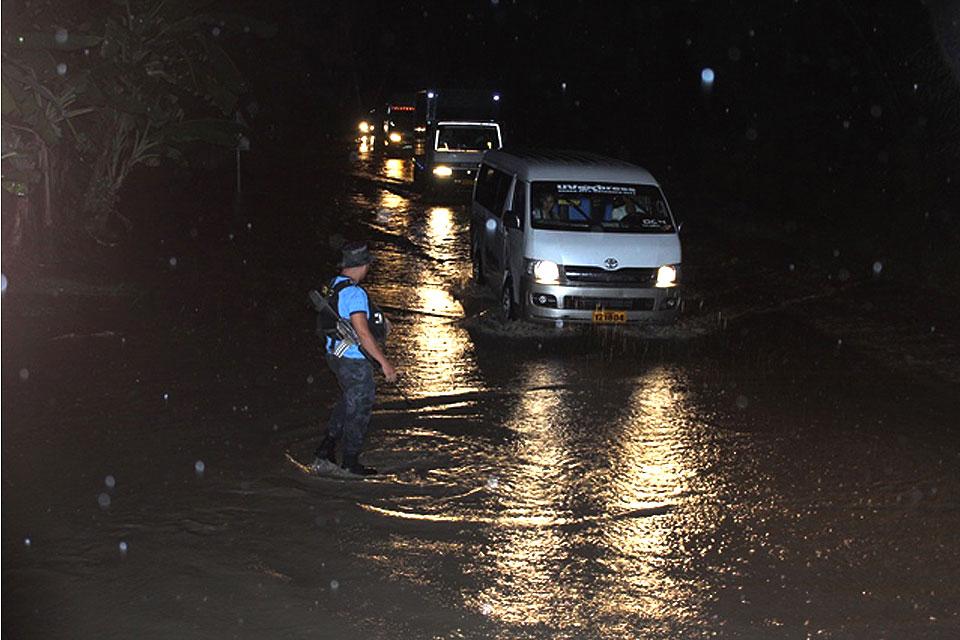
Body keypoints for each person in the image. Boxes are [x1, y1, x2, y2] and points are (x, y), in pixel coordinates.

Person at [313, 242, 397, 476]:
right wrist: (384, 363)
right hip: (353, 360)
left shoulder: (333, 286)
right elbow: (362, 332)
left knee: (347, 401)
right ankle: (350, 462)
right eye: (368, 265)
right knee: (360, 407)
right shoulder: (355, 293)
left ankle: (326, 448)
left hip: (335, 356)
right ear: (361, 266)